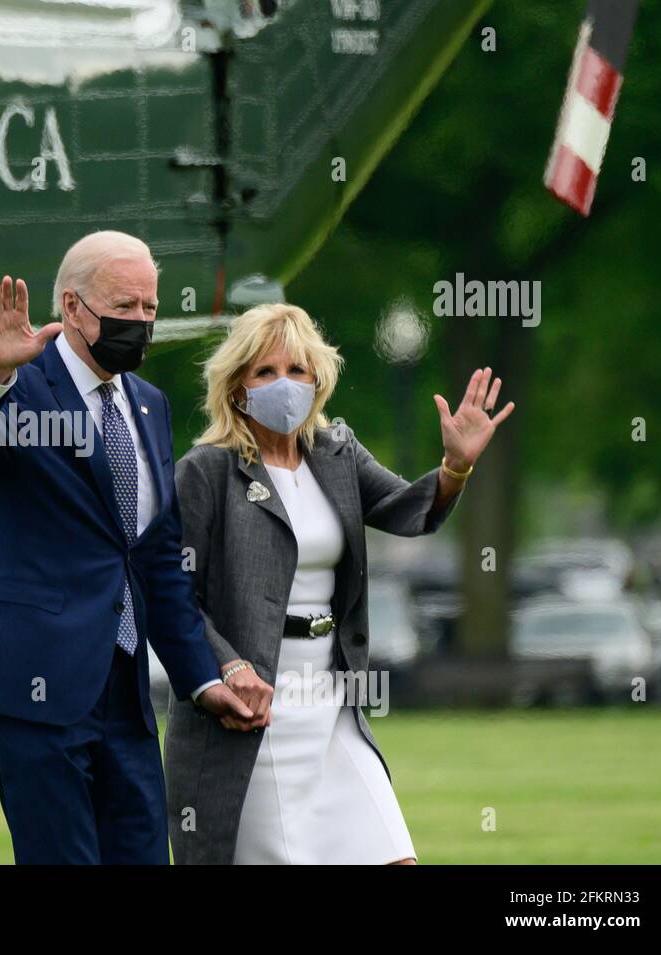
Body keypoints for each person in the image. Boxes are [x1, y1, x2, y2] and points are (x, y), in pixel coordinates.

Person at [0, 230, 257, 864]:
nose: (140, 322)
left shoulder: (150, 407)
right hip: (33, 681)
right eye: (124, 306)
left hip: (124, 694)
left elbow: (156, 561)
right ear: (73, 308)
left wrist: (202, 676)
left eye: (150, 308)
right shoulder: (19, 389)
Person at [164, 303, 515, 864]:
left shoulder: (336, 452)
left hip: (330, 704)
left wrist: (454, 467)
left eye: (298, 370)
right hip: (254, 712)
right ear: (237, 388)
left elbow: (408, 511)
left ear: (318, 378)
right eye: (265, 372)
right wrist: (227, 666)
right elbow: (173, 594)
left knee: (394, 857)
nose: (285, 384)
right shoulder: (206, 470)